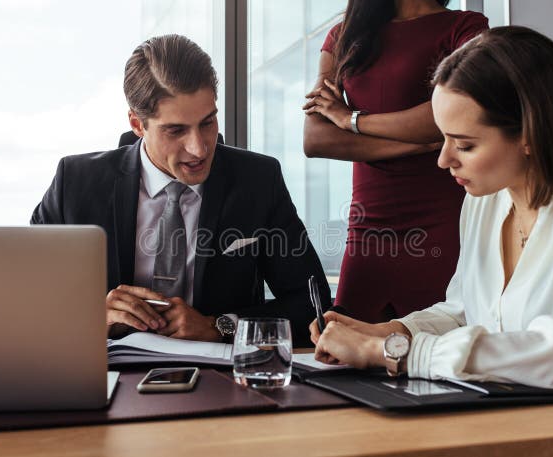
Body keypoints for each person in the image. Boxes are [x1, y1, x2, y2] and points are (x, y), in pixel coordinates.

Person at [310, 26, 553, 412]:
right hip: (484, 418)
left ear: (530, 133)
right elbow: (462, 312)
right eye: (444, 139)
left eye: (465, 144)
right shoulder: (485, 201)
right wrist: (387, 331)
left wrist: (391, 351)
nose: (444, 160)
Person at [32, 35, 330, 345]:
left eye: (207, 122)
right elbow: (24, 297)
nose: (199, 148)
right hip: (107, 379)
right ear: (137, 123)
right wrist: (92, 316)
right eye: (176, 130)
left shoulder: (257, 180)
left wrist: (219, 326)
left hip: (221, 382)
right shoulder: (76, 183)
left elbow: (312, 305)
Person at [303, 0, 488, 323]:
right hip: (368, 229)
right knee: (341, 347)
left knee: (439, 346)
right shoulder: (343, 36)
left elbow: (453, 112)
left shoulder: (466, 27)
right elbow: (316, 139)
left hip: (443, 222)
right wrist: (413, 145)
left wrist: (352, 121)